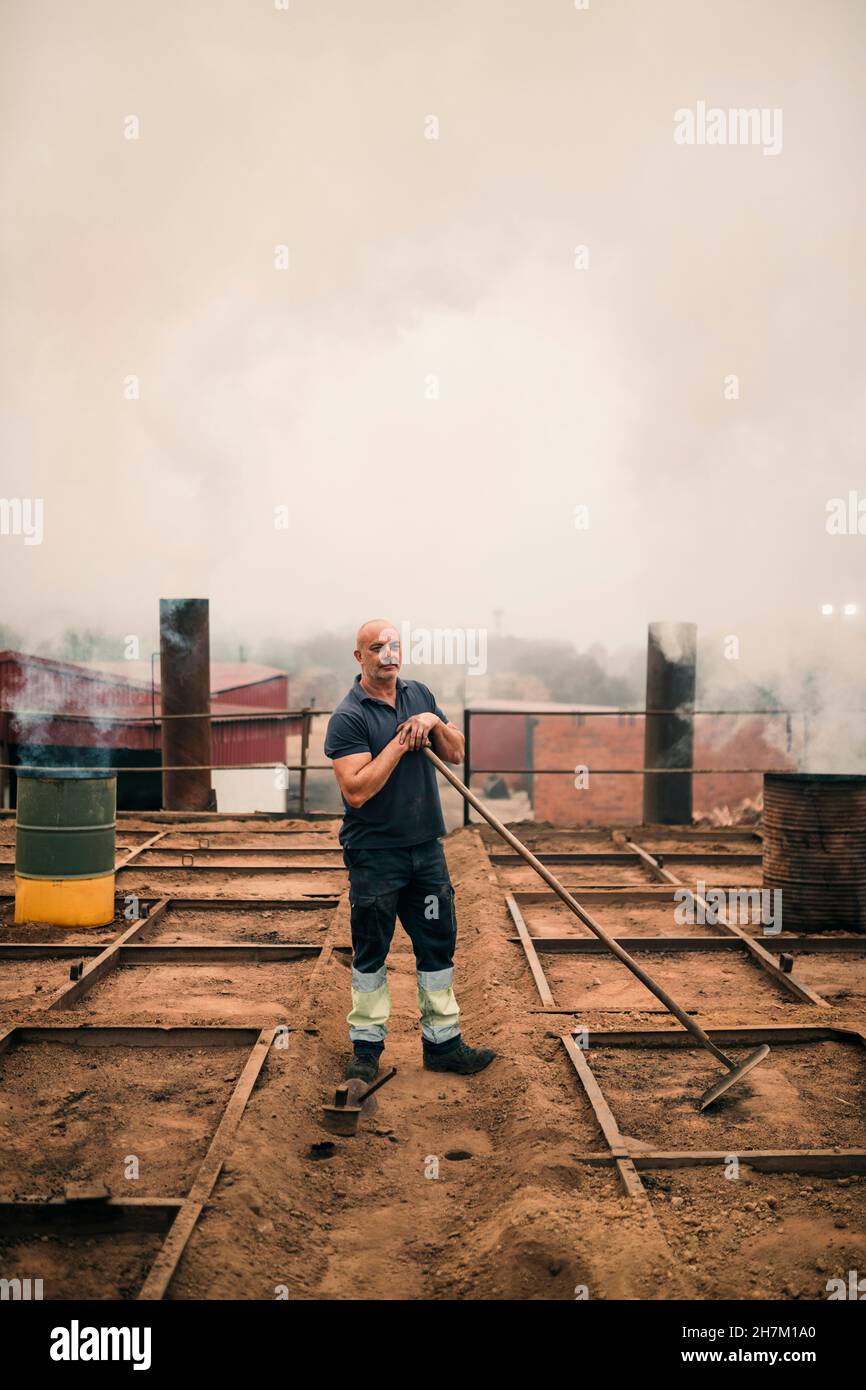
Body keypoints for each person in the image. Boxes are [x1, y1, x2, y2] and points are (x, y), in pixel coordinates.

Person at [324, 619, 497, 1083]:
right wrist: (402, 743)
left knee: (437, 945)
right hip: (376, 854)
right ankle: (366, 1050)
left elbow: (456, 754)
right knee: (371, 951)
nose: (388, 653)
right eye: (376, 647)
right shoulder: (349, 716)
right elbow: (356, 791)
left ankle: (444, 1045)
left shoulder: (419, 694)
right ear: (359, 657)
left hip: (426, 850)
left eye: (394, 645)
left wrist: (434, 721)